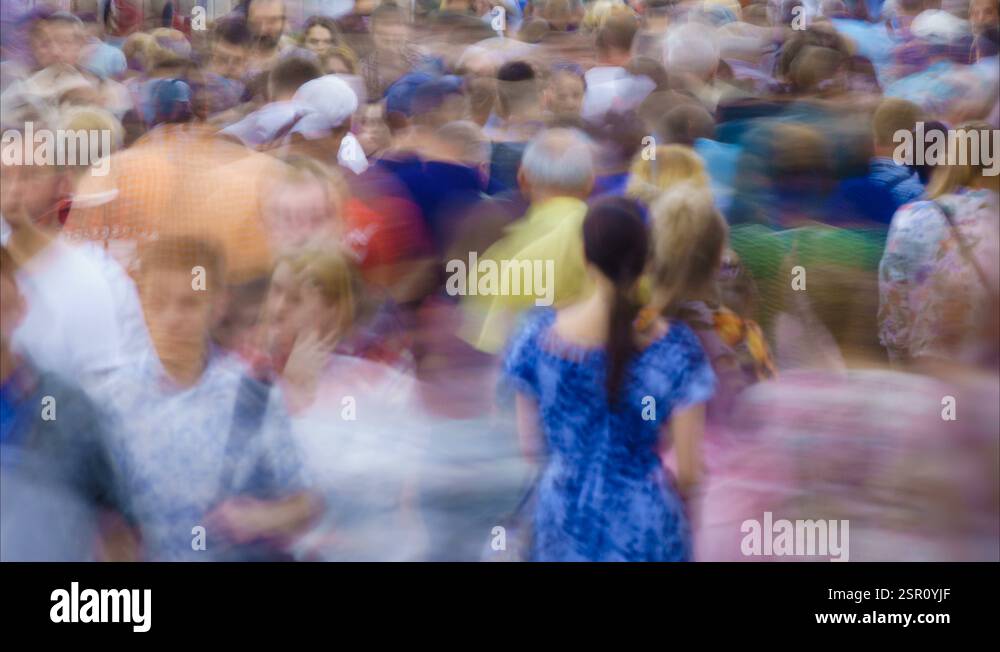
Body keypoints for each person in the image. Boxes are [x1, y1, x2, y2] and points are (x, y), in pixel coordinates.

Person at [502, 196, 716, 561]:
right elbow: (689, 474)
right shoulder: (678, 349)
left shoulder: (535, 339)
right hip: (644, 522)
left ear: (585, 256)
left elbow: (531, 448)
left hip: (561, 520)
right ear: (648, 261)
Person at [96, 235, 321, 561]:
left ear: (218, 305)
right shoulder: (110, 400)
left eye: (189, 302)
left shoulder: (252, 395)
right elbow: (93, 512)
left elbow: (305, 503)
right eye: (158, 302)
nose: (172, 318)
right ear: (141, 302)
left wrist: (258, 518)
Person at [461, 127, 596, 353]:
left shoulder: (503, 257)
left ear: (522, 178)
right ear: (591, 181)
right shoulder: (621, 236)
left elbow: (491, 346)